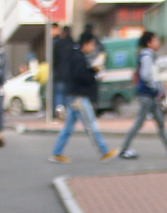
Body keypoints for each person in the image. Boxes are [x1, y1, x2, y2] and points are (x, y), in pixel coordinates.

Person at [49, 32, 119, 163]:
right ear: (85, 44)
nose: (93, 47)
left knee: (68, 128)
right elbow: (81, 76)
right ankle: (103, 151)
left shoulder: (75, 55)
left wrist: (92, 71)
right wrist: (94, 73)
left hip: (74, 95)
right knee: (91, 125)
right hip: (79, 96)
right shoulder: (79, 58)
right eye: (92, 44)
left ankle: (56, 152)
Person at [117, 31, 167, 160]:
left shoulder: (148, 56)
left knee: (160, 122)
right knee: (139, 123)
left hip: (150, 96)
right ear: (149, 43)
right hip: (147, 95)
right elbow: (146, 75)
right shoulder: (147, 56)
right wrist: (156, 87)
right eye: (155, 40)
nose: (158, 43)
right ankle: (124, 149)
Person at [52, 24, 73, 118]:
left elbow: (54, 59)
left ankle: (59, 113)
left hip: (59, 74)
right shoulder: (73, 44)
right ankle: (68, 113)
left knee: (59, 95)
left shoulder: (58, 43)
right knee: (68, 95)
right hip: (70, 75)